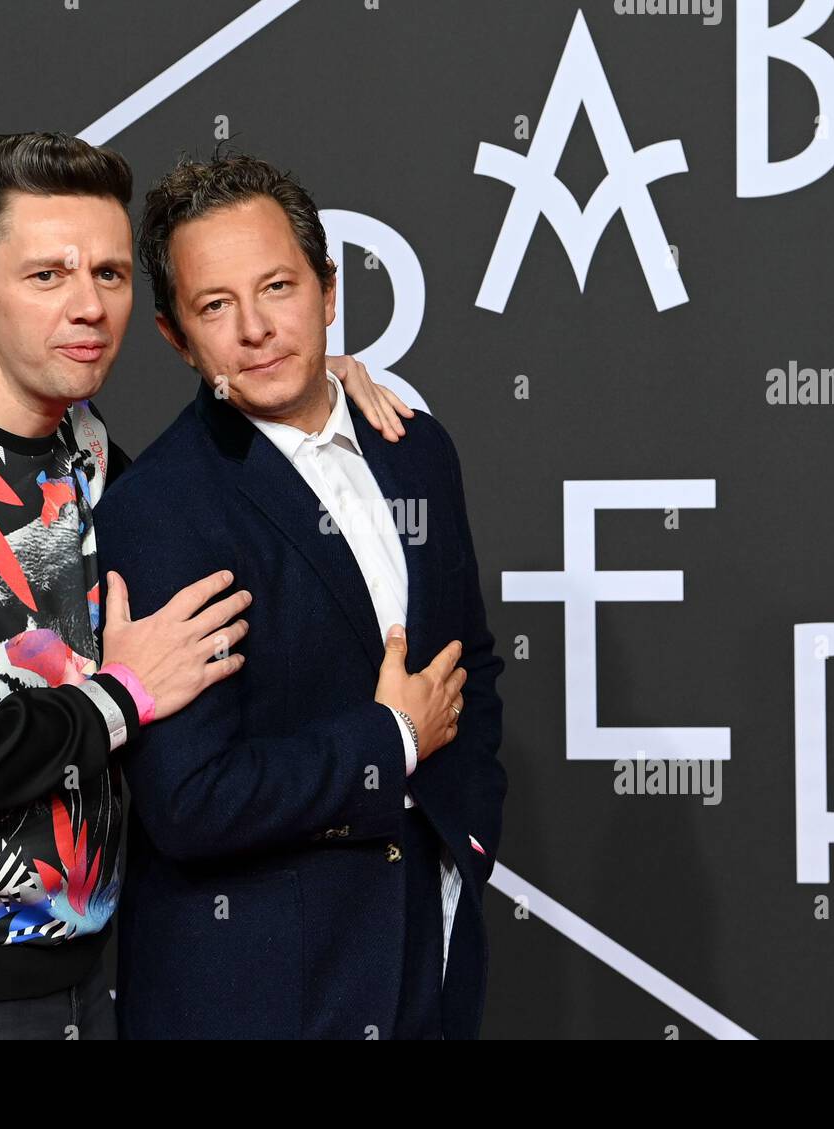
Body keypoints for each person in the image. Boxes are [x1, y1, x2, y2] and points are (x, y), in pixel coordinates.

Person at [0, 131, 411, 1040]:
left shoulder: (86, 449)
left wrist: (313, 391)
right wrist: (120, 694)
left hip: (88, 976)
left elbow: (211, 461)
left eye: (112, 276)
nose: (87, 307)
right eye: (47, 276)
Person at [95, 152, 506, 1040]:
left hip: (426, 970)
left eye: (278, 286)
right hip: (258, 993)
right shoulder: (161, 511)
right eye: (215, 305)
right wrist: (389, 738)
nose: (255, 328)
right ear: (175, 335)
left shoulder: (417, 449)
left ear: (327, 288)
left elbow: (469, 660)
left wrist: (464, 842)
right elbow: (190, 800)